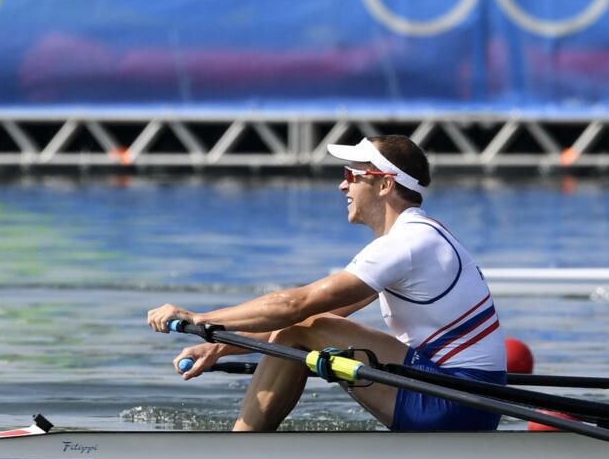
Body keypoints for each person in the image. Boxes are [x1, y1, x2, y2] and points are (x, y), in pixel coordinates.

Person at [147, 134, 507, 432]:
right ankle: (245, 445)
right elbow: (302, 316)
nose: (342, 185)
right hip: (462, 398)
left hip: (452, 403)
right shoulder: (419, 236)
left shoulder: (406, 243)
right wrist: (219, 347)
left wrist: (198, 318)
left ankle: (239, 450)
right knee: (304, 328)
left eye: (353, 175)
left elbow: (294, 306)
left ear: (385, 184)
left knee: (304, 329)